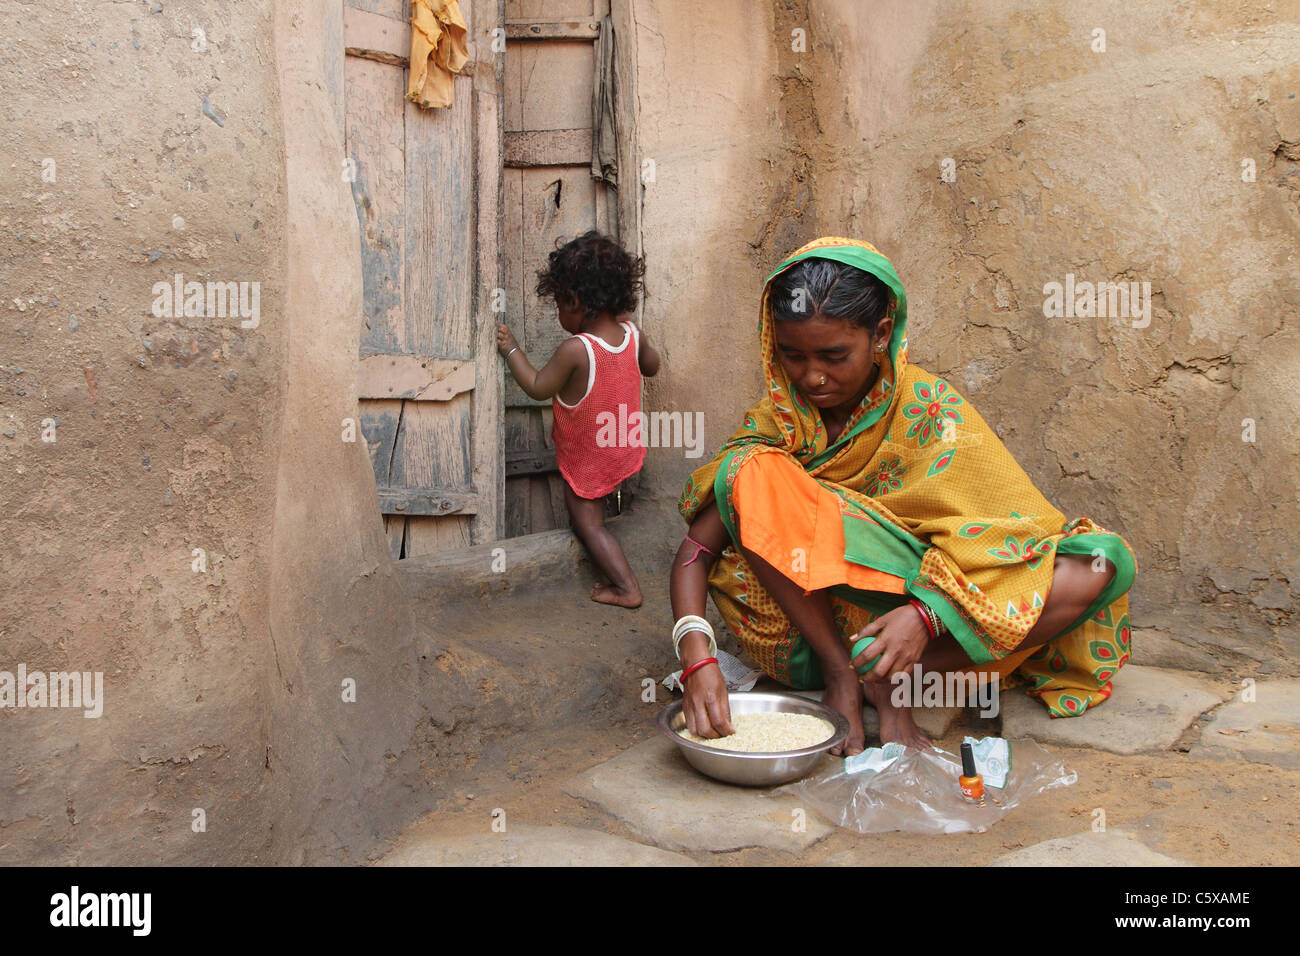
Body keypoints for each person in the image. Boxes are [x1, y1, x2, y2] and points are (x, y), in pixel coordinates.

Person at [669, 237, 1137, 755]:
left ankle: (887, 676)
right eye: (791, 355)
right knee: (746, 470)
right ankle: (841, 673)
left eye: (834, 355)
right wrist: (697, 658)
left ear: (881, 335)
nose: (811, 376)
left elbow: (1015, 541)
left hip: (922, 635)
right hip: (798, 634)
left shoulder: (932, 411)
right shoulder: (775, 426)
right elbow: (695, 554)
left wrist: (926, 615)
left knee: (1097, 563)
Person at [498, 231, 661, 608]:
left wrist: (511, 350)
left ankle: (626, 588)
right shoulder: (632, 334)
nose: (558, 313)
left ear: (576, 301)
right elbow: (651, 366)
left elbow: (538, 387)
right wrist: (638, 348)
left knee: (588, 523)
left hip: (591, 459)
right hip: (624, 445)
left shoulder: (576, 350)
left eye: (559, 303)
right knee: (602, 498)